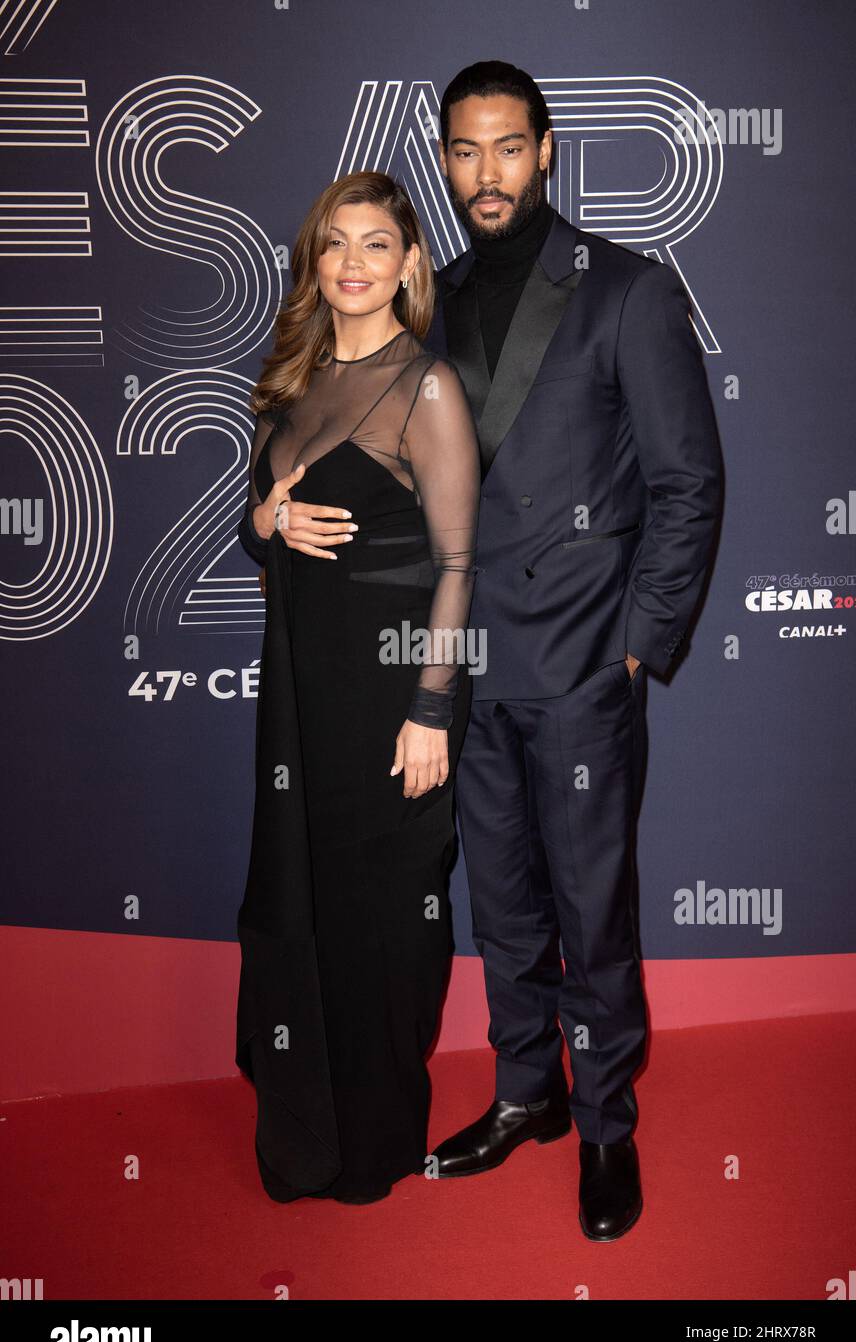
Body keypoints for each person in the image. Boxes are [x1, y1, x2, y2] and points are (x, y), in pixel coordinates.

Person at [424, 62, 724, 1240]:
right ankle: (524, 1091)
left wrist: (637, 649)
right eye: (464, 150)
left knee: (589, 912)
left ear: (545, 150)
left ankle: (604, 1125)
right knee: (498, 903)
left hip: (583, 670)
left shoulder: (625, 291)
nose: (486, 172)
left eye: (508, 147)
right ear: (444, 159)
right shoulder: (429, 301)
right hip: (471, 674)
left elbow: (685, 483)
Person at [234, 171, 481, 1205]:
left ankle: (371, 1138)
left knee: (384, 918)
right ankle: (304, 1132)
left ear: (407, 265)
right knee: (305, 903)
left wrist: (430, 709)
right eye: (333, 244)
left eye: (375, 244)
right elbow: (263, 513)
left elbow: (458, 562)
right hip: (301, 696)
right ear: (312, 263)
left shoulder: (423, 385)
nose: (350, 263)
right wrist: (266, 523)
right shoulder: (287, 383)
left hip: (391, 699)